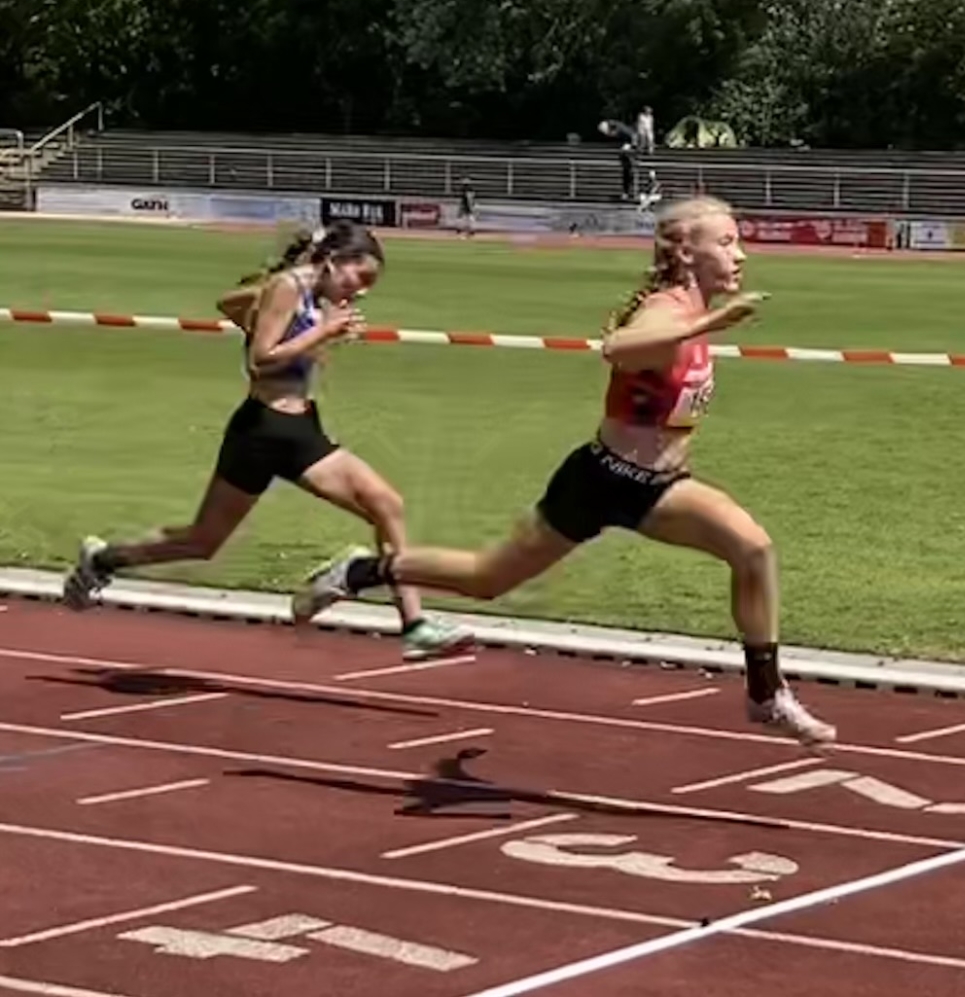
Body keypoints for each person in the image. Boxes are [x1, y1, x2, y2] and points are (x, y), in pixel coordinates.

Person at [300, 195, 836, 748]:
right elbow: (618, 348)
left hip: (657, 487)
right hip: (602, 479)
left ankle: (766, 695)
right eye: (725, 242)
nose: (740, 254)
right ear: (685, 252)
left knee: (752, 549)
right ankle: (363, 571)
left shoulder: (689, 315)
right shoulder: (667, 311)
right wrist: (712, 321)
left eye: (738, 241)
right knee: (488, 579)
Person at [62, 223, 475, 663]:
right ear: (334, 261)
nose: (364, 292)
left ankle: (412, 624)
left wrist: (312, 325)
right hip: (261, 431)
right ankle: (104, 560)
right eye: (361, 278)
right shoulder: (286, 287)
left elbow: (232, 304)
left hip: (299, 431)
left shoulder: (316, 294)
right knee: (203, 542)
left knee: (386, 504)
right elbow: (261, 361)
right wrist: (322, 333)